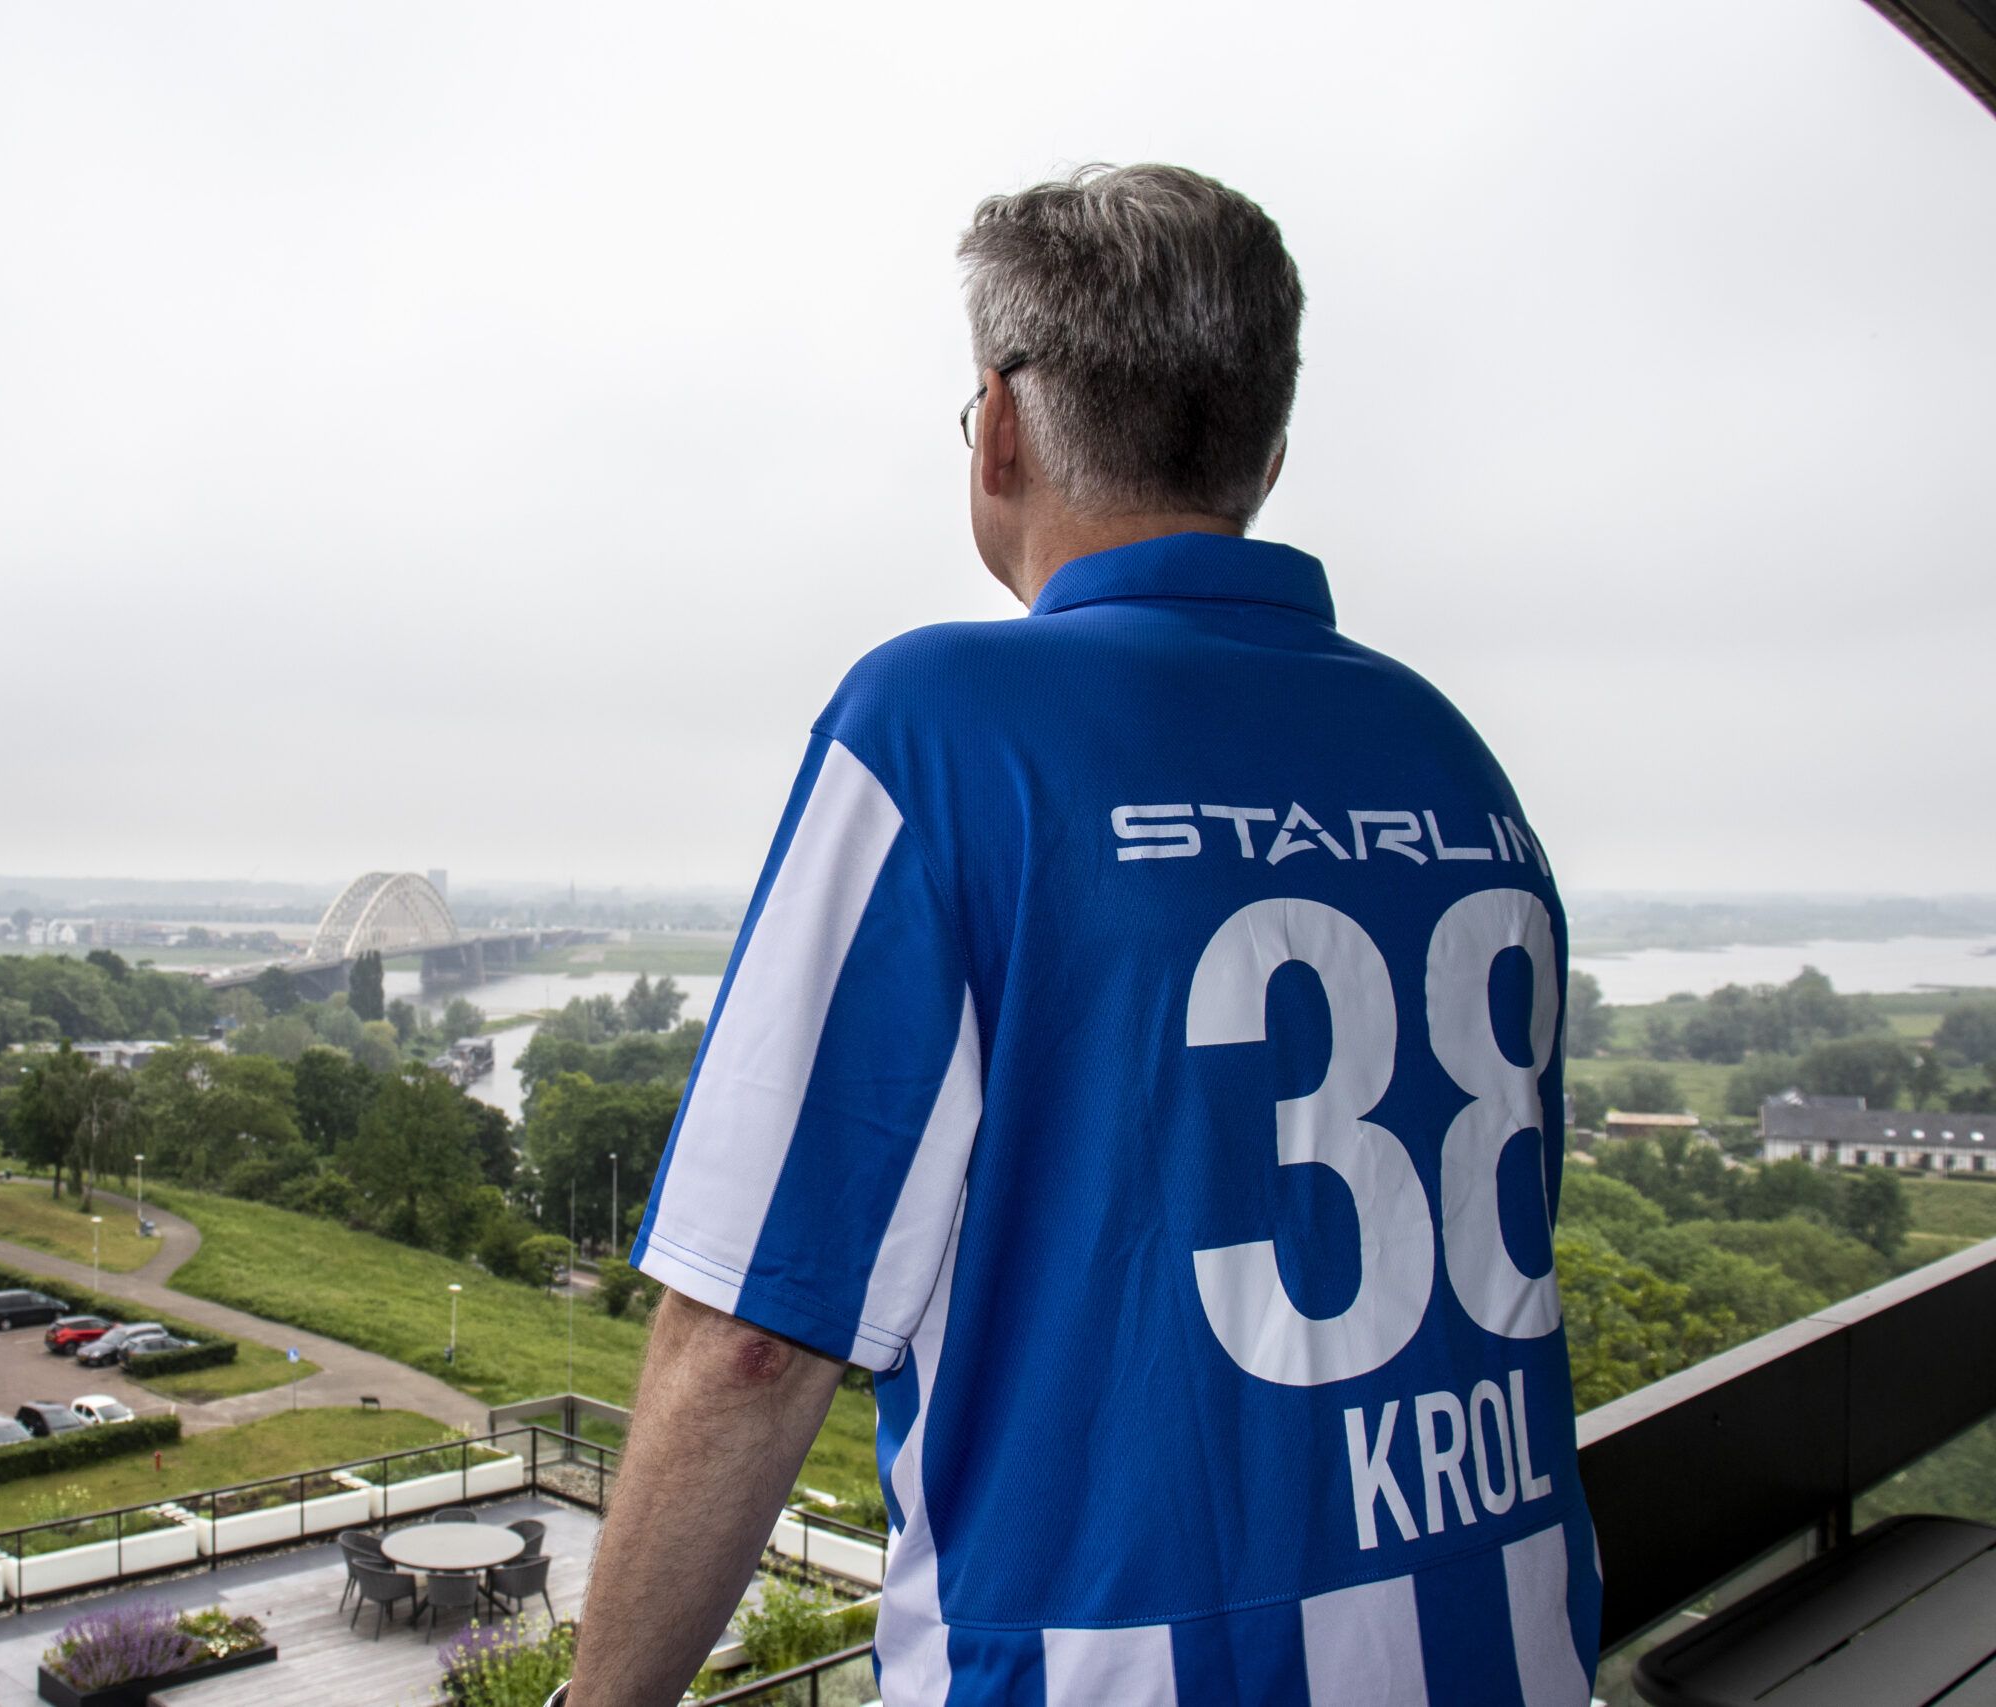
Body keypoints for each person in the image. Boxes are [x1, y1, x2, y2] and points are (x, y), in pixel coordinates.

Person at [559, 165, 1600, 1706]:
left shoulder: (940, 729)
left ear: (997, 427)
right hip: (1510, 1650)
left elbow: (751, 1345)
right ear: (1267, 446)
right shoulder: (1451, 759)